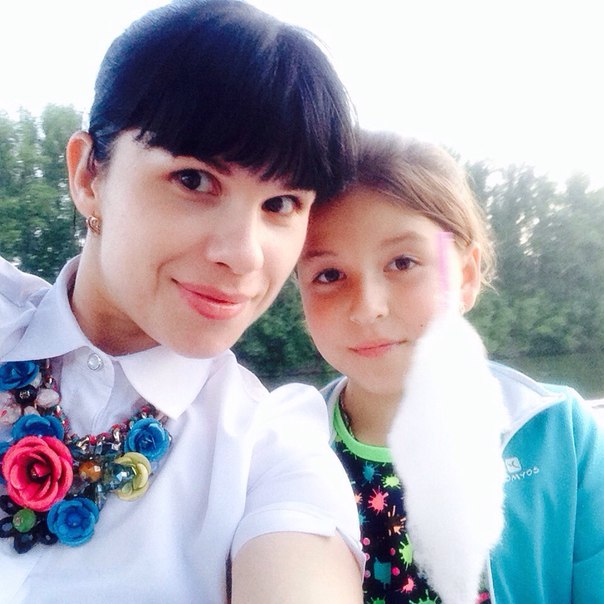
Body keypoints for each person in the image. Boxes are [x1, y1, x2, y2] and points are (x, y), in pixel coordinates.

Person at [0, 1, 365, 602]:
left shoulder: (269, 454)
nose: (243, 255)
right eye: (194, 180)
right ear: (88, 176)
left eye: (281, 205)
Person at [296, 129, 604, 603]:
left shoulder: (559, 433)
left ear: (466, 276)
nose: (368, 307)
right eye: (329, 274)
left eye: (402, 262)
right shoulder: (286, 447)